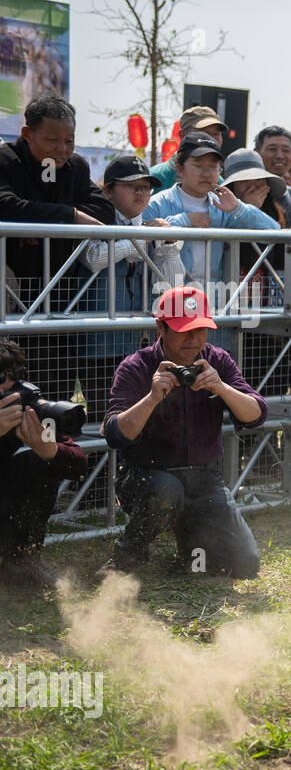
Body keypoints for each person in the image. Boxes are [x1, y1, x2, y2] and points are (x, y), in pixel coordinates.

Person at [99, 286, 267, 577]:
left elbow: (256, 415)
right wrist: (151, 398)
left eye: (201, 330)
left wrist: (221, 387)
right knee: (166, 490)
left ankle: (190, 543)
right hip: (145, 476)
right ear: (160, 328)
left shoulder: (218, 361)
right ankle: (126, 556)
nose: (193, 339)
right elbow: (115, 434)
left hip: (204, 479)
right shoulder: (136, 367)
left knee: (245, 564)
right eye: (183, 330)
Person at [76, 156, 185, 418]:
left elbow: (172, 286)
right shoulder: (93, 219)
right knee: (105, 417)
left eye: (146, 186)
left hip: (142, 344)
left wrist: (168, 247)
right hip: (98, 344)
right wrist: (141, 238)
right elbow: (93, 258)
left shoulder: (150, 227)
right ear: (108, 190)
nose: (140, 192)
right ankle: (100, 461)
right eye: (130, 186)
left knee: (147, 418)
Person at [0, 338, 88, 591]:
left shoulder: (26, 409)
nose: (8, 389)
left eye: (13, 377)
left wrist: (49, 449)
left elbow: (78, 463)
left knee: (37, 461)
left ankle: (24, 562)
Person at [0, 95, 113, 284]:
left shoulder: (76, 166)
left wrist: (37, 222)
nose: (62, 149)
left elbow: (104, 211)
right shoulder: (5, 161)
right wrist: (71, 216)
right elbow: (5, 206)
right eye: (52, 140)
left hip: (62, 288)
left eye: (69, 141)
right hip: (11, 286)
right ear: (27, 134)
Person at [144, 133, 280, 286]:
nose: (206, 173)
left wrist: (238, 208)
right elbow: (137, 243)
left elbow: (273, 231)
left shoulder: (223, 207)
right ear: (180, 169)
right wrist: (183, 221)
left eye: (213, 167)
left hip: (212, 301)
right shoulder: (156, 204)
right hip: (167, 302)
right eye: (198, 165)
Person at [148, 106, 228, 194]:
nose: (211, 139)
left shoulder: (220, 184)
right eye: (204, 133)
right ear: (182, 135)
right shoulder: (155, 178)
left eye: (216, 134)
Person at [254, 125, 291, 227]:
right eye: (272, 149)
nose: (279, 156)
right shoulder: (245, 189)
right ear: (256, 153)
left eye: (286, 150)